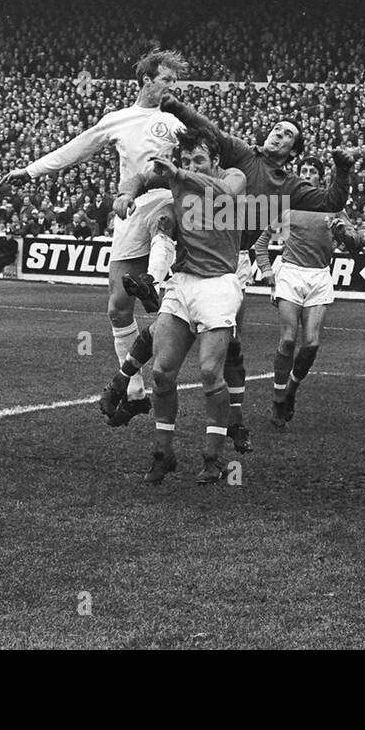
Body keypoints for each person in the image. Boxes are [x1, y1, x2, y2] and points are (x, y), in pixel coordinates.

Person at [101, 95, 355, 453]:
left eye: (287, 135)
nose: (277, 135)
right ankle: (130, 372)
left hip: (232, 261)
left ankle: (229, 421)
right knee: (167, 311)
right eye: (276, 129)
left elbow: (331, 201)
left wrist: (342, 170)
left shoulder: (291, 186)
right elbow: (208, 129)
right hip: (195, 241)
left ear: (293, 150)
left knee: (230, 348)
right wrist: (175, 107)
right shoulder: (242, 154)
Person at [2, 49, 186, 425]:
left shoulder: (178, 120)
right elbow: (78, 148)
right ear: (146, 80)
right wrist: (32, 171)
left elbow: (210, 152)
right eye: (166, 79)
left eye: (174, 81)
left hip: (166, 198)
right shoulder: (118, 120)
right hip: (128, 209)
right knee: (118, 307)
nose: (172, 87)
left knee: (164, 224)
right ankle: (134, 394)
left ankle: (151, 280)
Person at [117, 128, 245, 485]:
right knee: (161, 373)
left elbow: (229, 192)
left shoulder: (232, 176)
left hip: (219, 284)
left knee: (209, 374)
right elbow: (143, 176)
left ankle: (214, 455)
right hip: (183, 281)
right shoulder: (177, 182)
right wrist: (126, 193)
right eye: (186, 159)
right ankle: (163, 453)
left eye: (199, 159)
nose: (191, 166)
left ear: (215, 161)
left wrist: (180, 174)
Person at [253, 158, 360, 427]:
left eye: (313, 172)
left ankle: (291, 390)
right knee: (288, 340)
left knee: (311, 344)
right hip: (290, 273)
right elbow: (260, 244)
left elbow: (355, 243)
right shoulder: (288, 208)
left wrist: (344, 233)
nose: (308, 175)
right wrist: (267, 271)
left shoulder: (333, 208)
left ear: (321, 179)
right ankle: (278, 399)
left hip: (319, 276)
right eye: (304, 171)